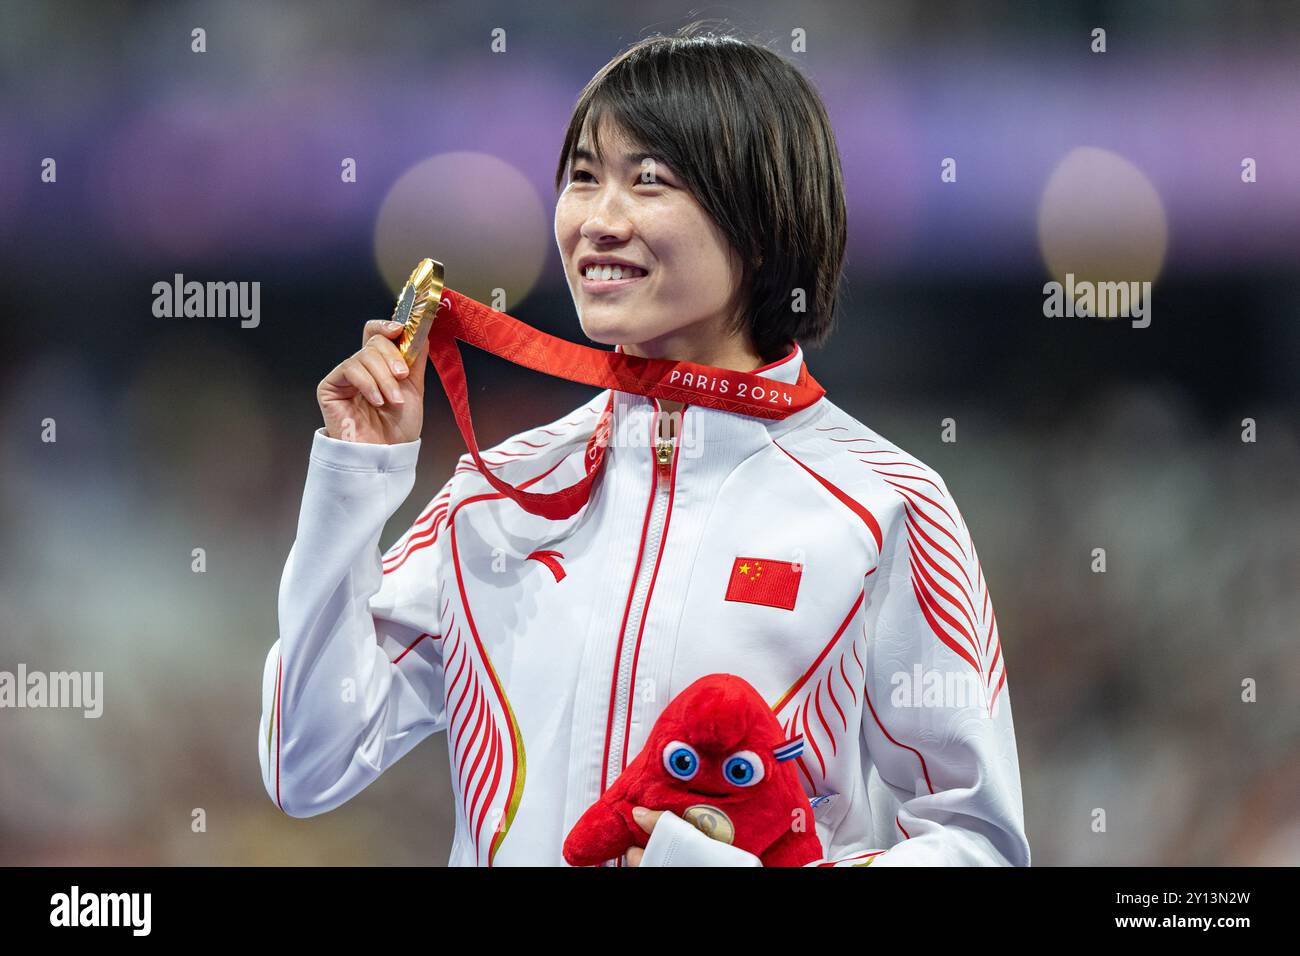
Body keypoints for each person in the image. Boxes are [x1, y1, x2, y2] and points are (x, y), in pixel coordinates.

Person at [258, 25, 1030, 867]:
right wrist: (353, 481)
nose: (599, 219)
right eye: (583, 177)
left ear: (764, 224)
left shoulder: (884, 508)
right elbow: (306, 764)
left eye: (648, 180)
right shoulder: (496, 494)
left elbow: (978, 845)